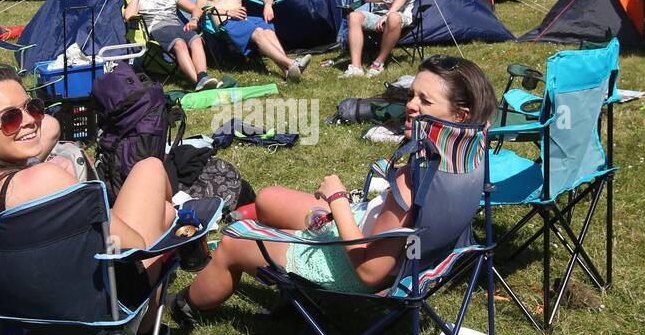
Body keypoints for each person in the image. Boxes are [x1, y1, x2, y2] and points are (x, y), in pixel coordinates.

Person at [171, 55, 495, 319]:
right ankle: (278, 264)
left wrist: (338, 198)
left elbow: (369, 271)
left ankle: (181, 305)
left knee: (233, 239)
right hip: (383, 240)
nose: (411, 105)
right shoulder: (469, 157)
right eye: (413, 94)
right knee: (268, 200)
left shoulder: (415, 182)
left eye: (425, 100)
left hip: (350, 267)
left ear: (458, 113)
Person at [0, 65, 176, 297]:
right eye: (10, 118)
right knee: (152, 171)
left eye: (32, 108)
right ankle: (146, 325)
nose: (29, 121)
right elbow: (133, 246)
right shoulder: (46, 178)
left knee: (162, 209)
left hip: (32, 306)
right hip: (102, 297)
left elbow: (50, 126)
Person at [196, 0, 310, 82]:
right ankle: (291, 64)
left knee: (267, 29)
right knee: (258, 32)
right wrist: (228, 12)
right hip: (225, 23)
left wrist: (268, 5)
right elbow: (199, 9)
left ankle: (287, 72)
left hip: (244, 20)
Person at [123, 0, 219, 91]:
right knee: (180, 44)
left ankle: (203, 77)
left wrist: (194, 20)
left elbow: (195, 8)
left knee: (196, 40)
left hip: (177, 26)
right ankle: (198, 83)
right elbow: (128, 16)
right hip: (158, 29)